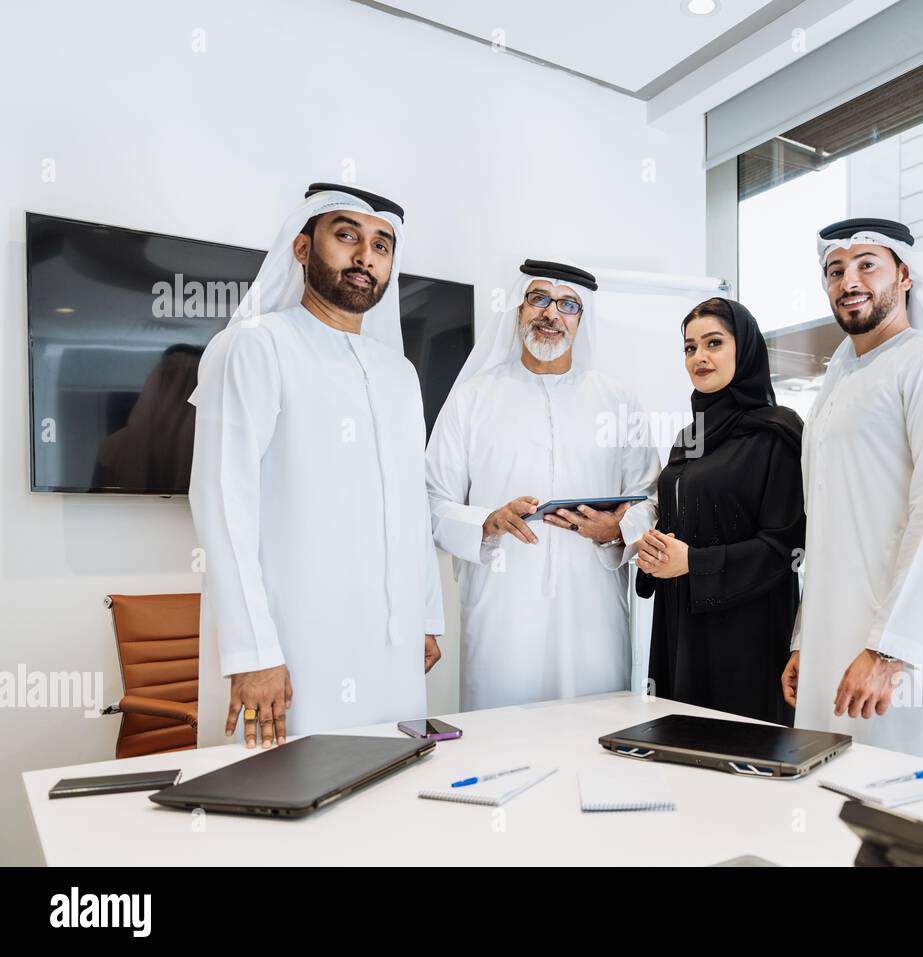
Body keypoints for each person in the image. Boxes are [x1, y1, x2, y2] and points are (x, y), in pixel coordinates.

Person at [189, 183, 444, 749]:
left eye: (381, 245)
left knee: (386, 798)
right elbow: (220, 500)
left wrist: (426, 613)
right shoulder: (254, 347)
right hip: (290, 644)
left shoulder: (400, 374)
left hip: (389, 644)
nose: (364, 256)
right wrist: (253, 650)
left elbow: (410, 503)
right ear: (302, 248)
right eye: (347, 235)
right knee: (281, 806)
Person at [782, 218, 923, 767]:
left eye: (866, 264)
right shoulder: (838, 382)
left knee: (900, 813)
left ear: (905, 275)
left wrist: (889, 650)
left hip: (896, 654)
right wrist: (805, 639)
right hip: (832, 646)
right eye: (835, 270)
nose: (849, 280)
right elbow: (824, 531)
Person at [425, 259, 658, 709]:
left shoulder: (618, 402)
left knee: (595, 743)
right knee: (500, 744)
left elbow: (649, 499)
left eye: (568, 304)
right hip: (501, 616)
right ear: (518, 310)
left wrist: (617, 529)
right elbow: (433, 500)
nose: (551, 313)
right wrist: (487, 520)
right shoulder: (472, 399)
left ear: (581, 319)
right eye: (539, 299)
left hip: (593, 615)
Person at [634, 298, 804, 724]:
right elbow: (676, 520)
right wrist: (655, 553)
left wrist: (694, 562)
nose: (700, 357)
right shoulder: (687, 439)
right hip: (680, 624)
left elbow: (784, 548)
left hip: (746, 633)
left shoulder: (776, 432)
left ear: (743, 349)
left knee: (738, 759)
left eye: (714, 343)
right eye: (690, 348)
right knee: (681, 754)